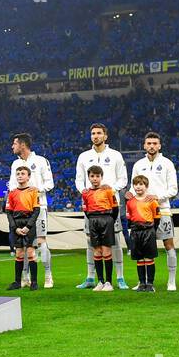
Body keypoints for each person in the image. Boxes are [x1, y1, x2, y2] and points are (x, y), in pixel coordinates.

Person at [75, 124, 129, 290]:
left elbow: (123, 179)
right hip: (91, 206)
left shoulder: (115, 155)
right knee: (91, 241)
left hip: (109, 205)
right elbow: (78, 179)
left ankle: (119, 277)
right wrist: (83, 191)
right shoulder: (84, 156)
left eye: (99, 133)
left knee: (116, 241)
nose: (95, 136)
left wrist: (110, 190)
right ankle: (91, 277)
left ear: (105, 136)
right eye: (93, 133)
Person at [132, 132, 179, 290]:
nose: (151, 146)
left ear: (159, 145)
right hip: (142, 213)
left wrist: (156, 198)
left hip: (163, 210)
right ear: (144, 145)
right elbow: (133, 187)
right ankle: (143, 281)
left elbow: (173, 189)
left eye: (154, 143)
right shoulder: (138, 165)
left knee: (168, 244)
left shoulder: (167, 163)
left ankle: (171, 280)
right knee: (142, 248)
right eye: (149, 143)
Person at [10, 133, 55, 288]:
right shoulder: (15, 164)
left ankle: (48, 276)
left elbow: (50, 183)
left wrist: (34, 192)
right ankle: (25, 276)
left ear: (22, 145)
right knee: (22, 245)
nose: (12, 146)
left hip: (38, 207)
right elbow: (11, 186)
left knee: (41, 241)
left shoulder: (41, 161)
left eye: (14, 143)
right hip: (20, 211)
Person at [81, 164, 119, 292]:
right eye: (92, 176)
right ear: (89, 178)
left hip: (106, 219)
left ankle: (109, 282)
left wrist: (109, 220)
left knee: (106, 251)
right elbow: (85, 209)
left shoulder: (108, 190)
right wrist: (93, 218)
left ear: (101, 177)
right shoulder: (86, 193)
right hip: (93, 220)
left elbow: (115, 208)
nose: (95, 179)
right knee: (97, 251)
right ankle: (100, 281)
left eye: (97, 176)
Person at [5, 165, 42, 291]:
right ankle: (17, 282)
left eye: (23, 173)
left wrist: (28, 226)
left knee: (31, 253)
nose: (20, 175)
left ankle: (34, 282)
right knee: (19, 253)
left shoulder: (33, 191)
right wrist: (14, 228)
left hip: (28, 223)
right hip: (17, 223)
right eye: (18, 173)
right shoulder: (12, 193)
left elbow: (36, 211)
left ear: (28, 176)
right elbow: (9, 212)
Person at [125, 175, 161, 292]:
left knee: (149, 258)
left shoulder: (152, 201)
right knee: (139, 259)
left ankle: (150, 283)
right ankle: (141, 283)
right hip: (136, 232)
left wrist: (151, 230)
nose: (138, 187)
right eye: (136, 184)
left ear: (146, 186)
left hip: (148, 231)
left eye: (141, 184)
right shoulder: (130, 202)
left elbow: (157, 218)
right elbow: (129, 218)